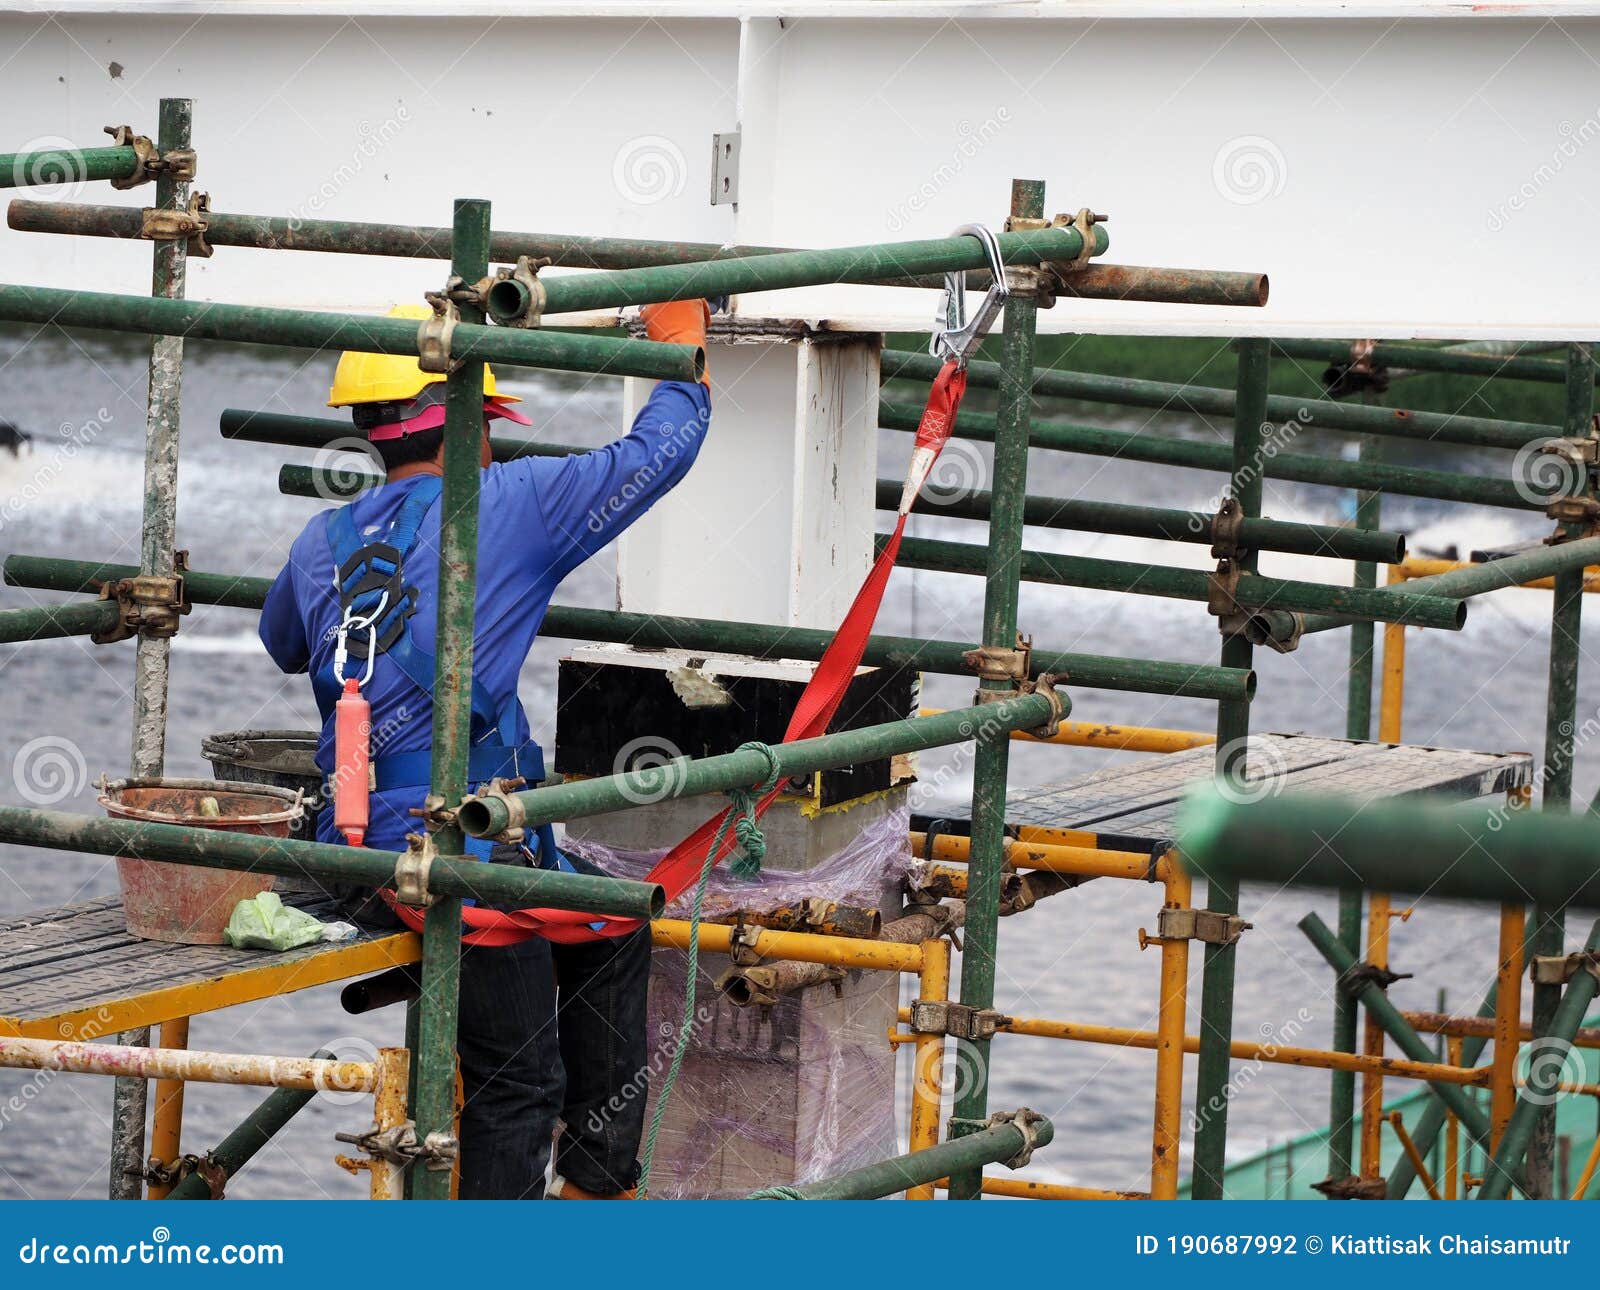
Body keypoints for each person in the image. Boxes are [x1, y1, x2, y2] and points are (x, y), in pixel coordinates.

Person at [258, 298, 714, 1198]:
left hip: (349, 847)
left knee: (614, 918)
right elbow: (656, 455)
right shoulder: (508, 503)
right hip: (456, 855)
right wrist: (681, 352)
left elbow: (284, 644)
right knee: (519, 1083)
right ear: (474, 422)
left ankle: (591, 1185)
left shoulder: (325, 536)